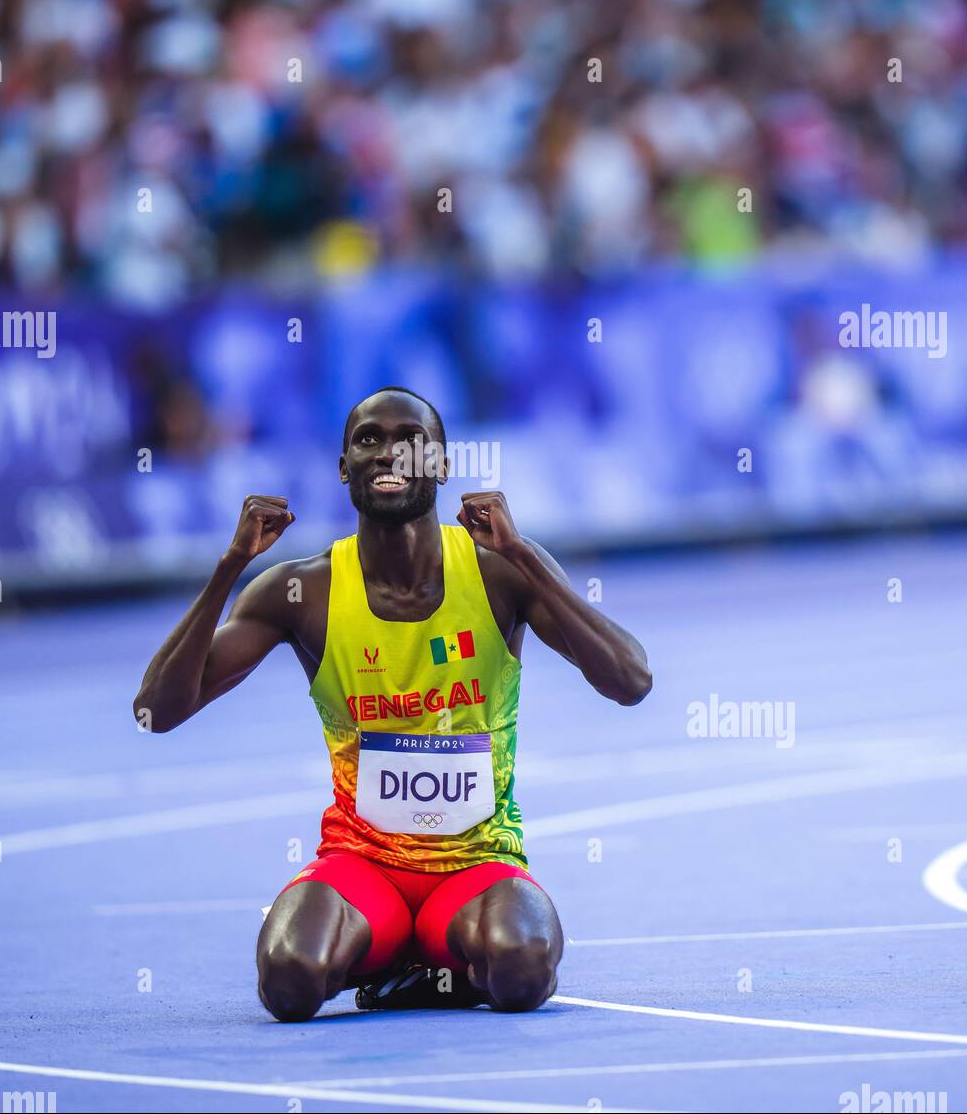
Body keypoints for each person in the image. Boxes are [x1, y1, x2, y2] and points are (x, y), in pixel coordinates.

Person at [134, 387, 652, 1020]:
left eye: (411, 440)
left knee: (522, 970)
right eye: (368, 440)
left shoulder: (499, 573)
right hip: (360, 867)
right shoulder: (304, 591)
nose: (389, 453)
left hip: (477, 866)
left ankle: (428, 971)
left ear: (440, 464)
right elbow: (156, 711)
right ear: (344, 466)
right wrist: (228, 569)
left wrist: (522, 556)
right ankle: (403, 958)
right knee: (289, 982)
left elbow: (631, 681)